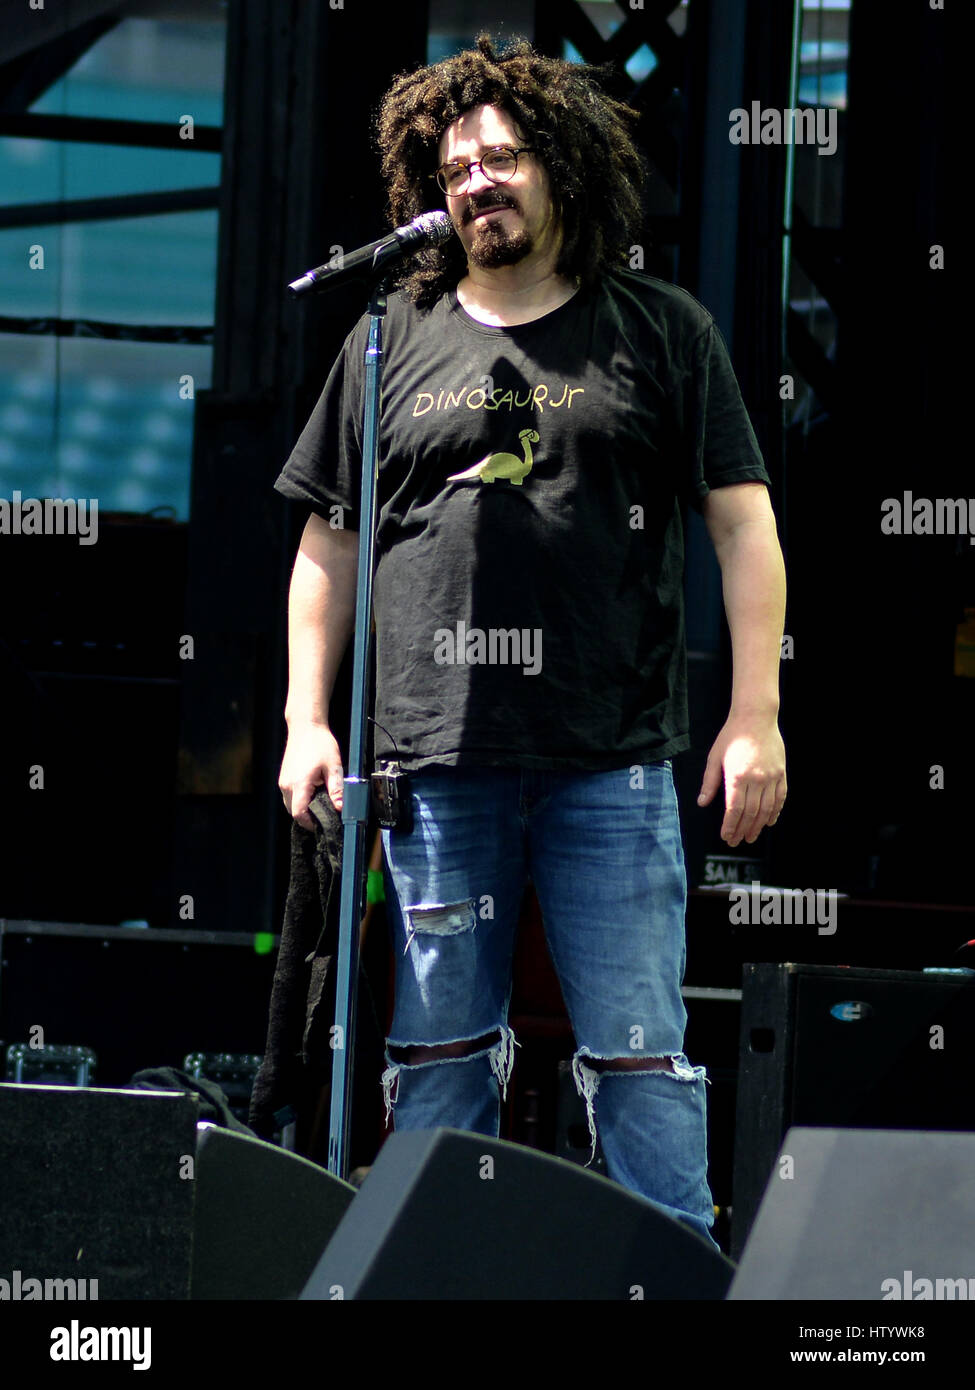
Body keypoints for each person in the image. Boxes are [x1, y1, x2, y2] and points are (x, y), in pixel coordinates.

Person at [275, 35, 786, 1249]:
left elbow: (745, 525)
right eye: (456, 168)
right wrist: (305, 716)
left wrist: (756, 712)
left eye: (502, 158)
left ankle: (676, 1278)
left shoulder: (656, 330)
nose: (477, 184)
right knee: (437, 1050)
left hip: (607, 760)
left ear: (561, 167)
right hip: (435, 763)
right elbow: (327, 546)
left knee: (641, 1056)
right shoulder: (389, 338)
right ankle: (426, 1274)